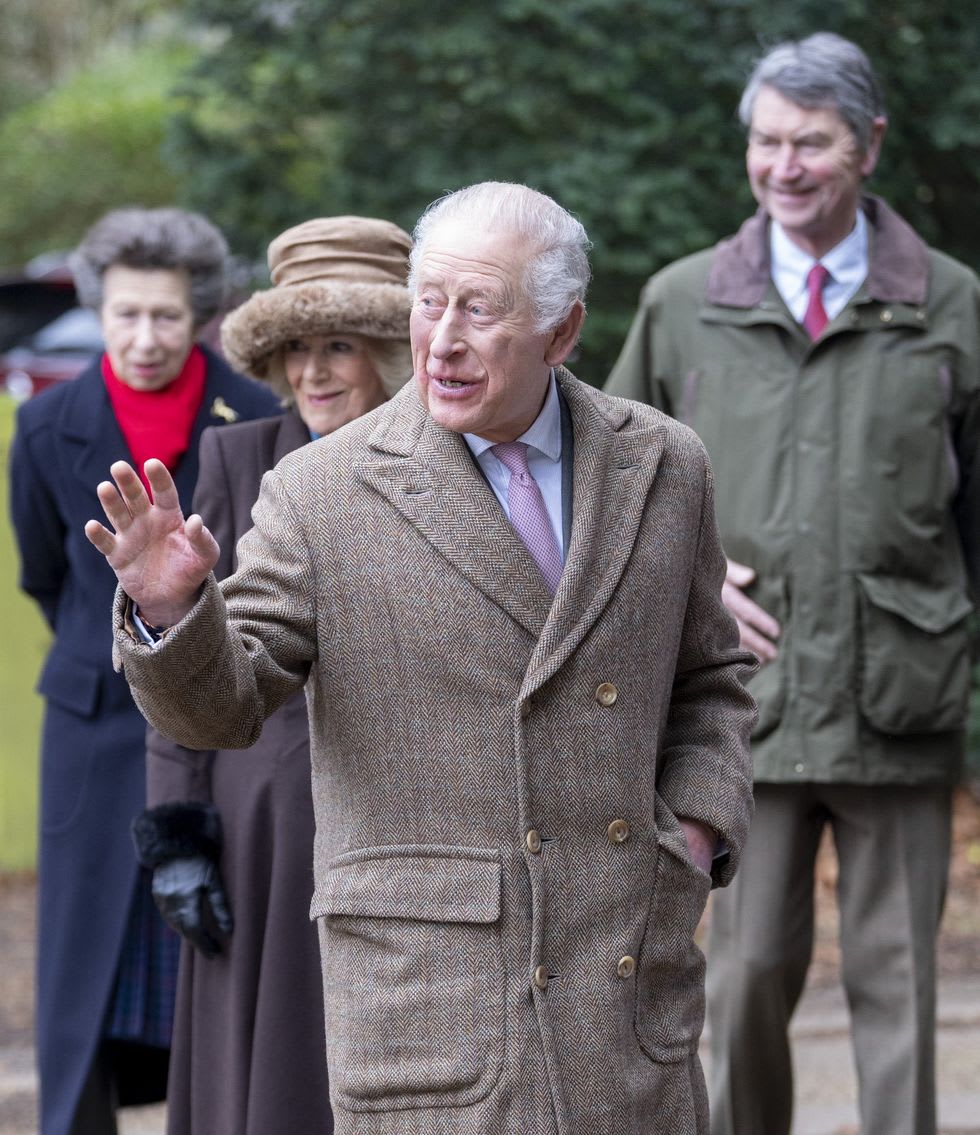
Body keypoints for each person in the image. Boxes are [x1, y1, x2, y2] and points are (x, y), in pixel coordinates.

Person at [84, 181, 756, 1135]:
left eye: (479, 309)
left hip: (625, 992)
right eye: (428, 300)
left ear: (561, 333)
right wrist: (174, 609)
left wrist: (694, 831)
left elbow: (709, 680)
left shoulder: (663, 462)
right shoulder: (321, 490)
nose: (440, 340)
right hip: (435, 1014)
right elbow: (224, 707)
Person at [605, 33, 980, 1135]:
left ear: (864, 144)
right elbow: (614, 496)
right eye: (765, 141)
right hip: (738, 711)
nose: (783, 166)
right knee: (741, 979)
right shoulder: (681, 304)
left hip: (895, 696)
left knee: (897, 990)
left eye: (809, 142)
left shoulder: (952, 304)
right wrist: (691, 578)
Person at [130, 214, 414, 1135]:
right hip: (266, 816)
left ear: (388, 348)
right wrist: (178, 832)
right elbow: (184, 658)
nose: (314, 371)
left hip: (408, 807)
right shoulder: (236, 456)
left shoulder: (450, 464)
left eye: (339, 345)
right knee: (274, 1077)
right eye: (296, 348)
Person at [8, 207, 281, 1135]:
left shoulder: (257, 411)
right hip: (90, 729)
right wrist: (120, 652)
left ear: (200, 311)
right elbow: (47, 576)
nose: (144, 336)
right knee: (80, 972)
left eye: (165, 315)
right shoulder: (45, 425)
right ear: (99, 308)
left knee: (220, 951)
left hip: (223, 722)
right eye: (124, 314)